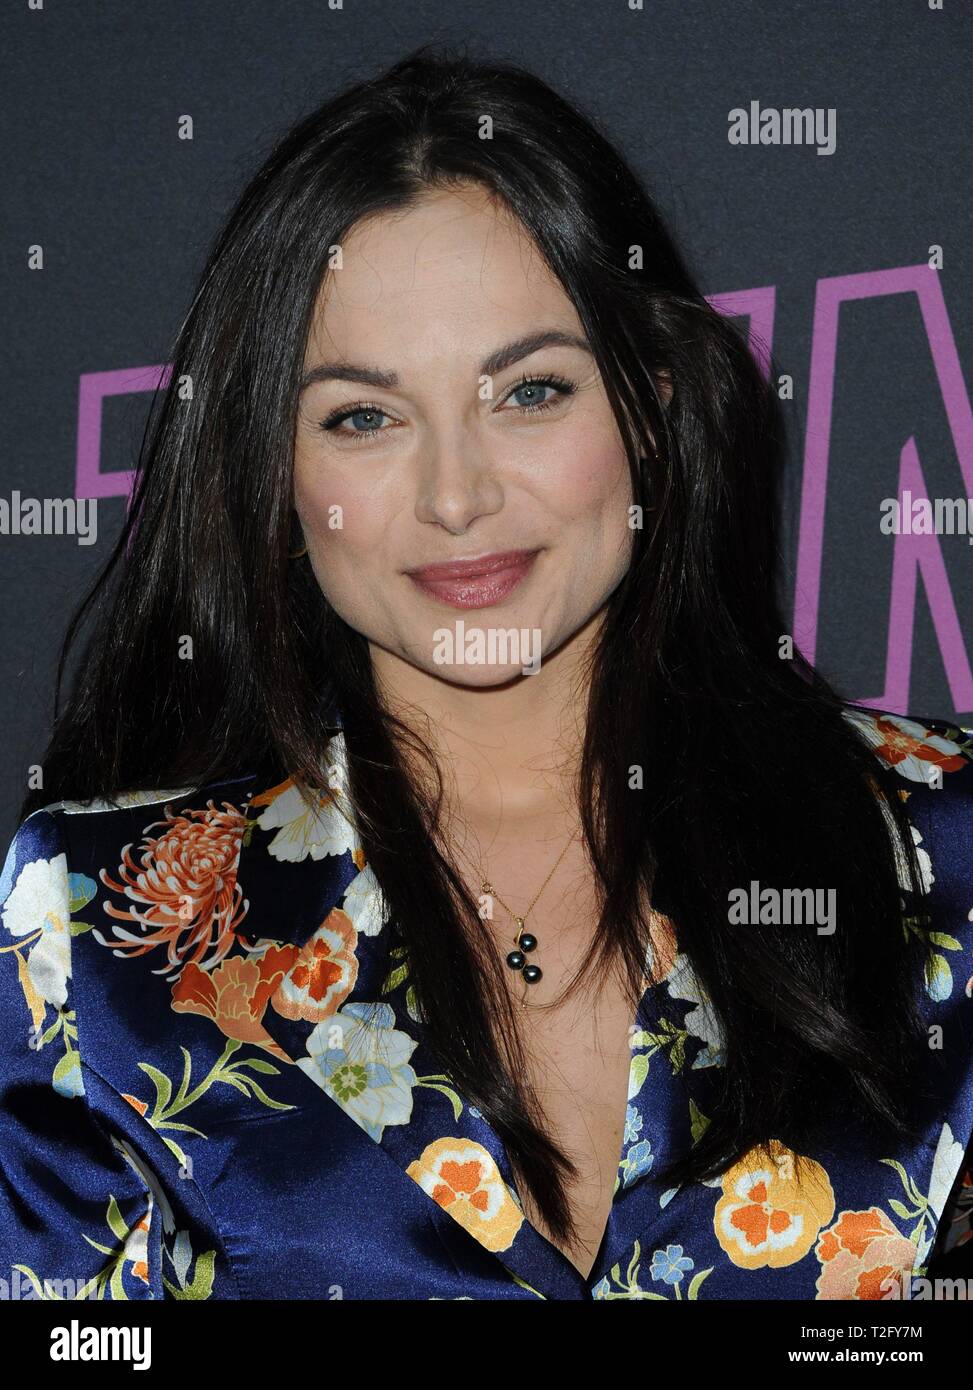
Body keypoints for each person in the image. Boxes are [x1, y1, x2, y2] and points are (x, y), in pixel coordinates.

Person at [1, 46, 971, 1303]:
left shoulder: (945, 840)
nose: (456, 496)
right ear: (276, 473)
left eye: (529, 392)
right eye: (364, 415)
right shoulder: (94, 930)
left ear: (653, 415)